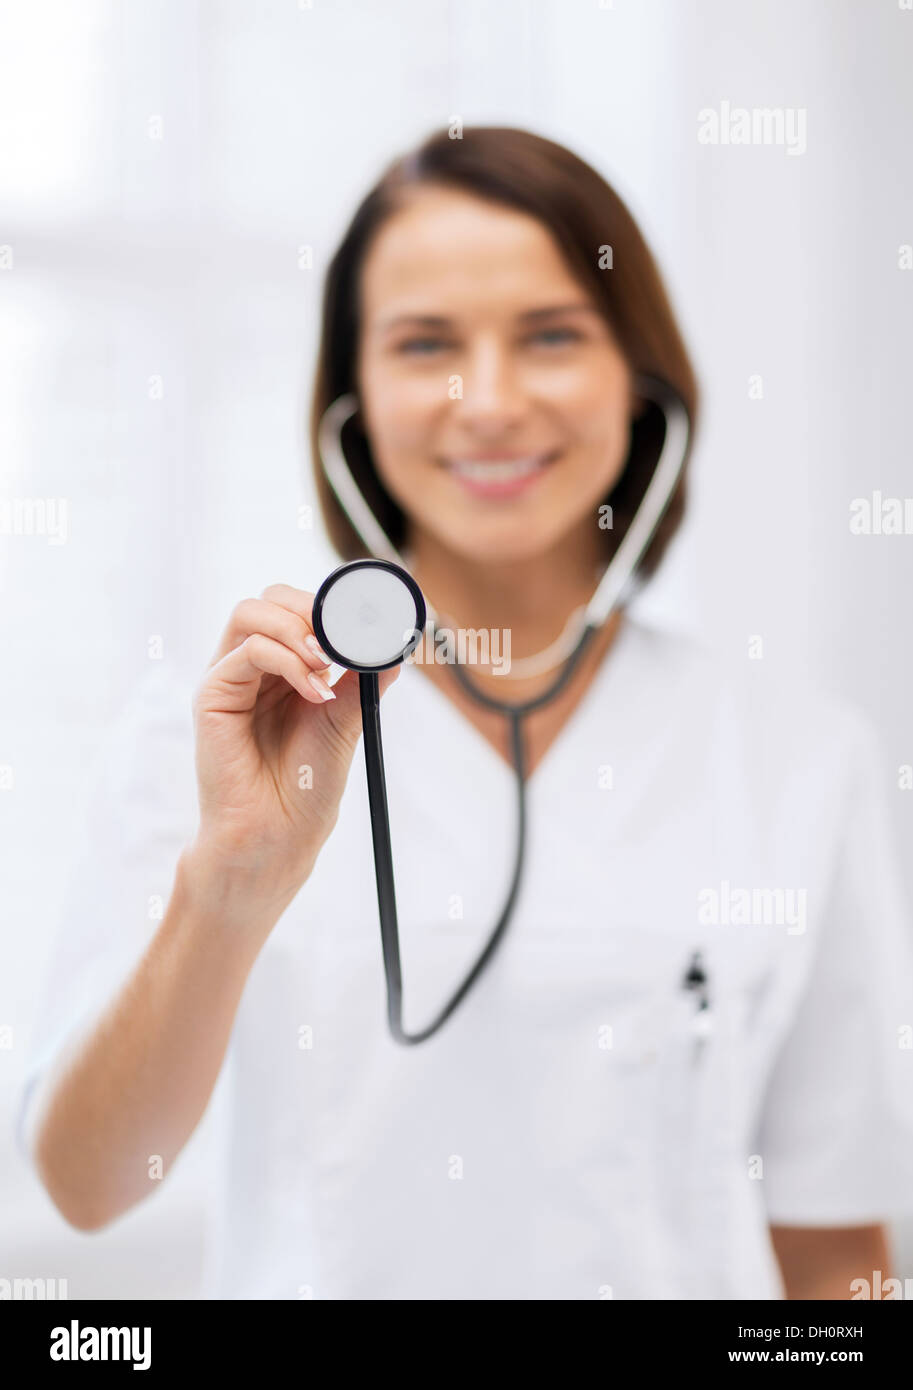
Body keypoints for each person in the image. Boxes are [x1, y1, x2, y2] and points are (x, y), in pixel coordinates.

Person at [17, 126, 913, 1300]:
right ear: (357, 399)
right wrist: (232, 882)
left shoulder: (797, 759)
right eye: (425, 343)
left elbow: (834, 1247)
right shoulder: (221, 725)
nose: (486, 402)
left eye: (550, 335)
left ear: (638, 380)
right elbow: (89, 1185)